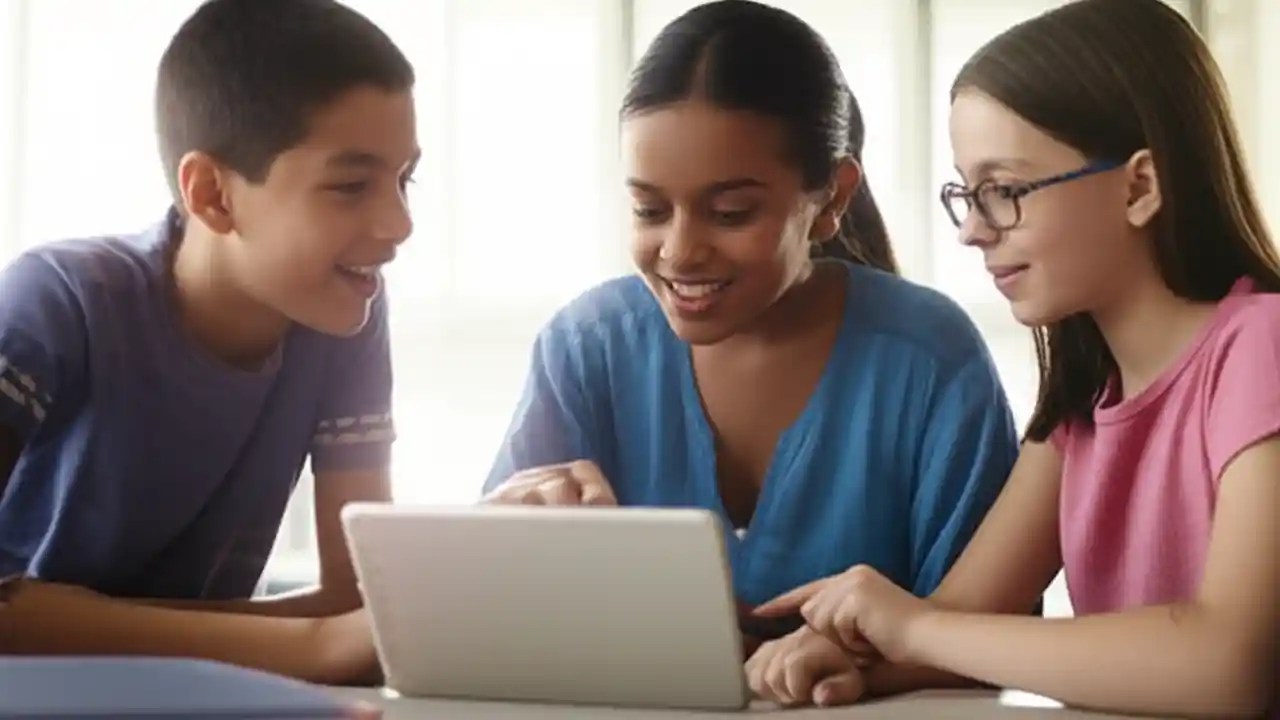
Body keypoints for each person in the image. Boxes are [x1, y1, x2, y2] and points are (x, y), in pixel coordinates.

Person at [747, 0, 1279, 715]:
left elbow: (1228, 666)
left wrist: (915, 628)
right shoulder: (1081, 407)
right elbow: (958, 620)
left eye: (1004, 191)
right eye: (967, 193)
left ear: (1140, 186)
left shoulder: (1260, 346)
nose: (972, 229)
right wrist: (852, 663)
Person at [481, 0, 1019, 658]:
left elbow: (991, 636)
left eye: (731, 212)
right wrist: (495, 541)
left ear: (832, 198)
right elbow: (491, 620)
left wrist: (861, 663)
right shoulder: (586, 347)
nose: (679, 252)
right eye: (649, 208)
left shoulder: (930, 360)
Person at [0, 0, 419, 686]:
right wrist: (311, 645)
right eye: (350, 186)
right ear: (213, 194)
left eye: (405, 179)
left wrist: (63, 622)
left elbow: (354, 604)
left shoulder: (346, 313)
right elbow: (342, 636)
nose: (400, 223)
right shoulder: (58, 300)